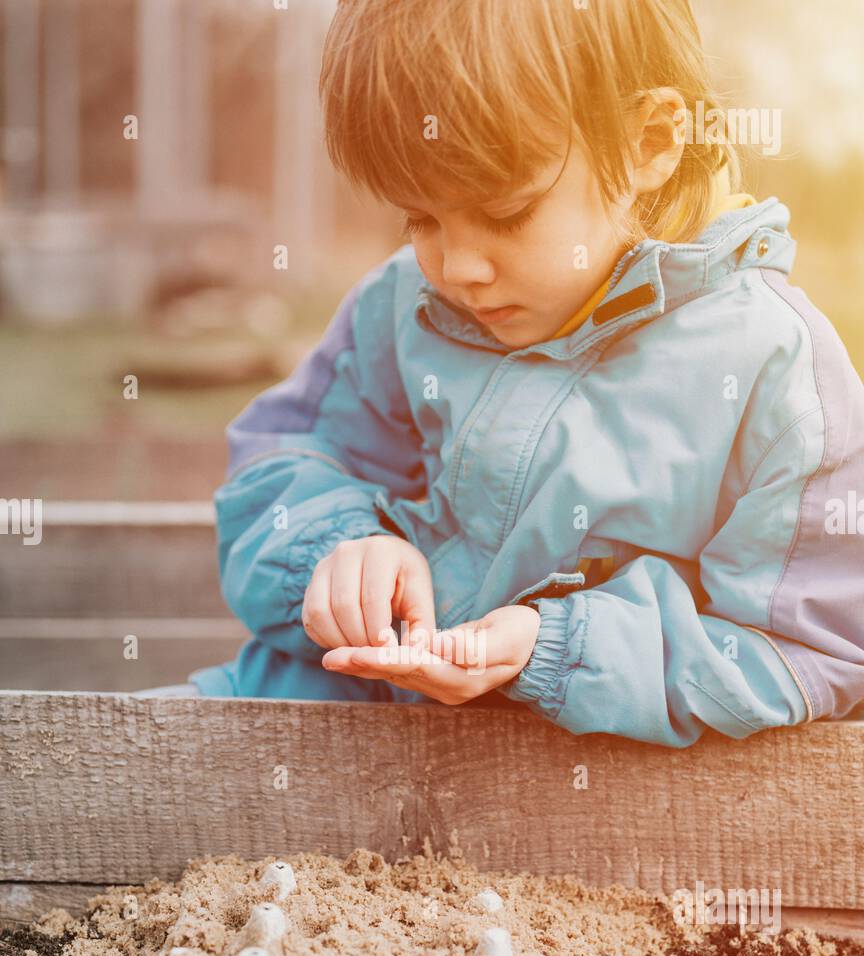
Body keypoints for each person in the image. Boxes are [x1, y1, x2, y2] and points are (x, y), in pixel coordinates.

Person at [150, 0, 864, 746]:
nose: (458, 267)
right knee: (97, 772)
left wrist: (557, 648)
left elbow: (812, 648)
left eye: (506, 213)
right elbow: (282, 464)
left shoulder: (774, 374)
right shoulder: (404, 304)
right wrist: (336, 548)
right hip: (321, 710)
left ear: (650, 141)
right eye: (419, 218)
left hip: (572, 795)